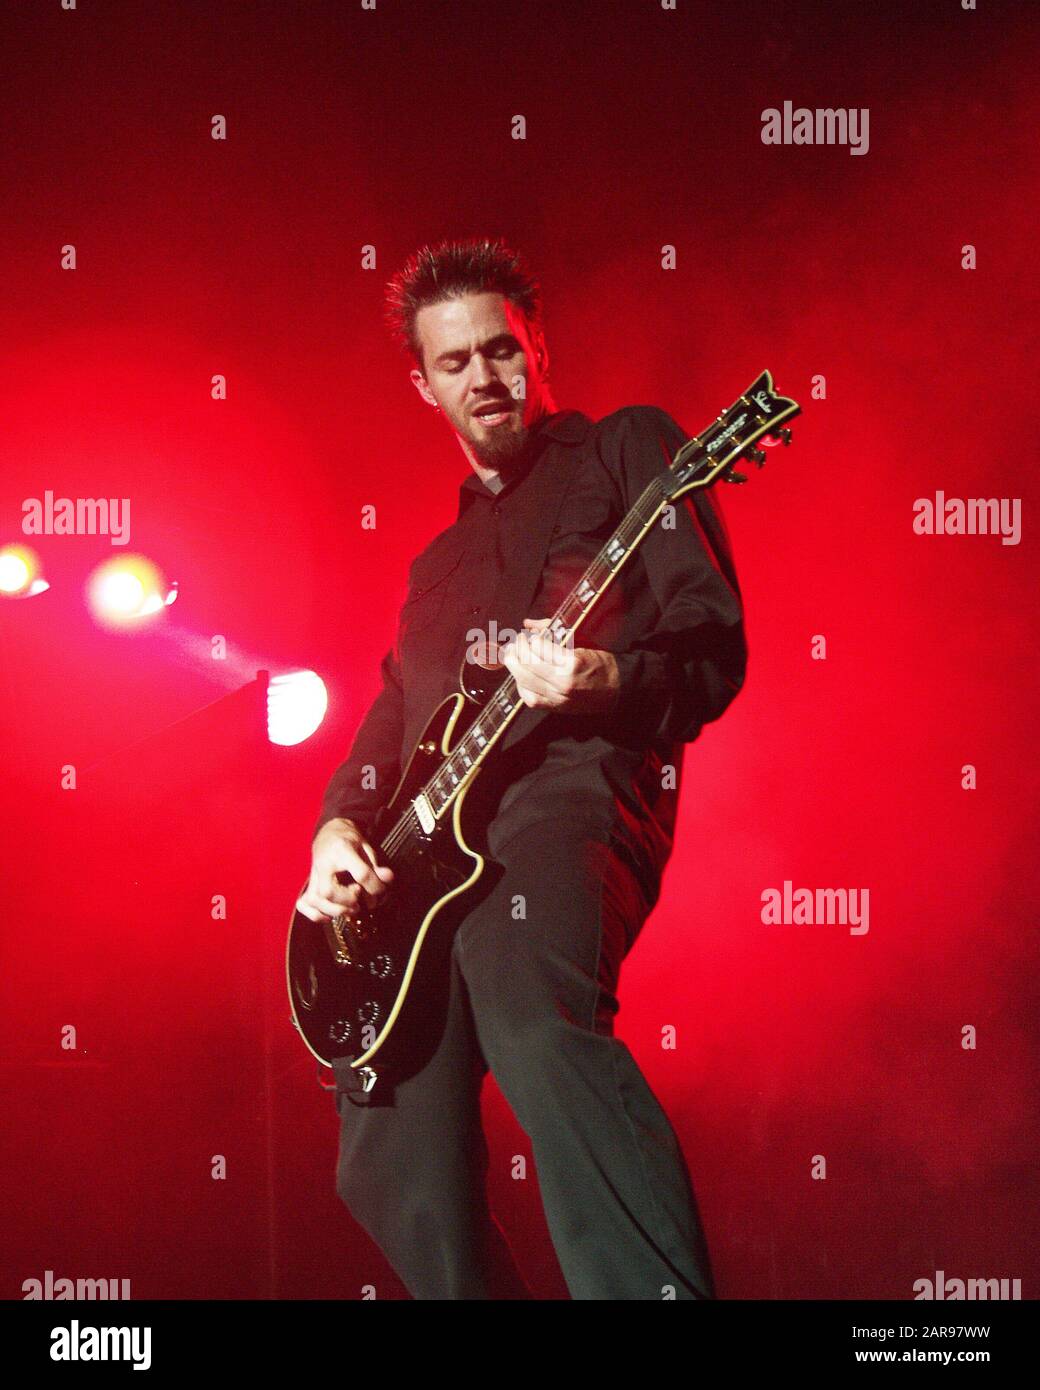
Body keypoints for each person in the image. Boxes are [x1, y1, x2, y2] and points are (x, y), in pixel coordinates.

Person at [295, 236, 747, 1299]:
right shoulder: (435, 564)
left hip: (567, 798)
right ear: (423, 384)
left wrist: (599, 674)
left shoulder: (628, 451)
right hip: (427, 856)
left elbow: (710, 644)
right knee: (381, 1115)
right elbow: (389, 720)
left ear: (537, 346)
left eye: (500, 350)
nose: (483, 379)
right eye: (454, 364)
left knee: (533, 1015)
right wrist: (333, 827)